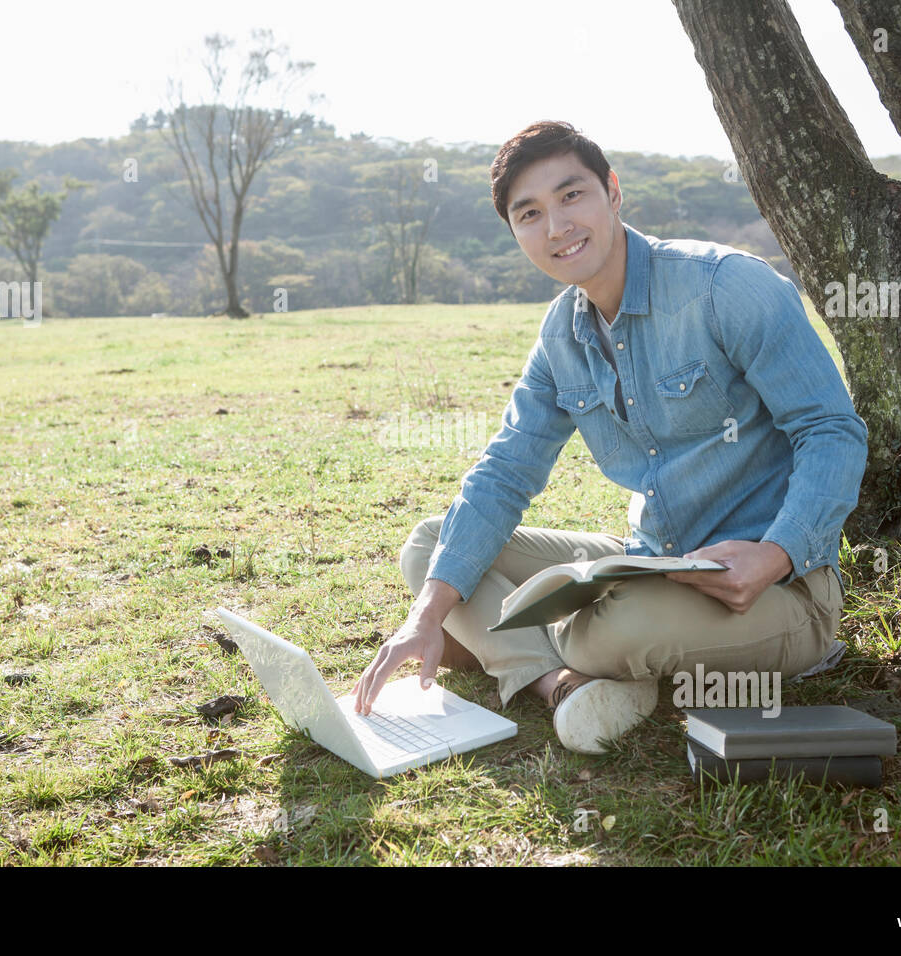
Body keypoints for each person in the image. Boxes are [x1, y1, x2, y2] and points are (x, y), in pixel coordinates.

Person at [353, 120, 868, 754]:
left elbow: (831, 430)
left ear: (613, 192)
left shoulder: (725, 286)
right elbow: (505, 472)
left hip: (780, 588)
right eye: (530, 213)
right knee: (433, 547)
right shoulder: (562, 336)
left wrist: (777, 553)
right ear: (516, 233)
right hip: (652, 560)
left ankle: (520, 650)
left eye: (572, 196)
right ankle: (560, 686)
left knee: (606, 629)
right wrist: (423, 619)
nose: (557, 227)